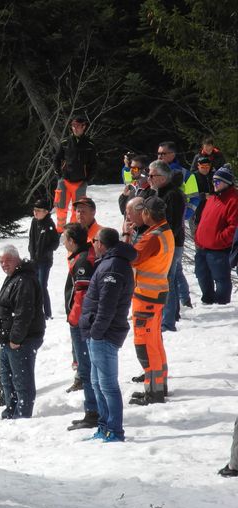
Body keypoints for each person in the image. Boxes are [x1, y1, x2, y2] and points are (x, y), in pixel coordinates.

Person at [79, 228, 136, 443]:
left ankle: (115, 430)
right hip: (98, 333)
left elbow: (107, 306)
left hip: (104, 334)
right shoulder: (109, 262)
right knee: (96, 383)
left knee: (108, 385)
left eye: (94, 241)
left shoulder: (113, 266)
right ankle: (103, 427)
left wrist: (96, 332)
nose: (92, 244)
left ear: (101, 244)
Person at [129, 195, 174, 406]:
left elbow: (133, 257)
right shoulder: (165, 231)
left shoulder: (152, 237)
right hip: (156, 294)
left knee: (145, 344)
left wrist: (125, 236)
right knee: (155, 342)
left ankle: (153, 391)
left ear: (148, 214)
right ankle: (159, 385)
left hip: (146, 297)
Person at [0, 245, 45, 419]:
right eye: (1, 262)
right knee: (8, 380)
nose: (4, 265)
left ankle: (22, 416)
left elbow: (24, 313)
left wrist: (15, 338)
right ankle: (11, 411)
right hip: (9, 341)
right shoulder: (14, 277)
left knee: (22, 382)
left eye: (7, 260)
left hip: (22, 341)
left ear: (17, 259)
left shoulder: (24, 280)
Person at [62, 223, 98, 428]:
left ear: (72, 241)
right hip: (83, 321)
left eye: (65, 239)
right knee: (87, 367)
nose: (63, 243)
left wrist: (74, 320)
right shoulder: (81, 256)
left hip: (82, 323)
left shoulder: (83, 260)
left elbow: (82, 296)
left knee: (86, 368)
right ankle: (92, 410)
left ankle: (93, 412)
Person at [145, 160, 186, 333]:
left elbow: (173, 224)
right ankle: (171, 315)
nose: (149, 178)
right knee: (168, 280)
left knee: (166, 281)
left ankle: (167, 322)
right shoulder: (158, 193)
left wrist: (161, 242)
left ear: (162, 177)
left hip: (171, 244)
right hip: (165, 243)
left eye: (152, 175)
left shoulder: (173, 195)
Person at [194, 164, 238, 304]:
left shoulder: (234, 200)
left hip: (218, 249)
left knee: (221, 279)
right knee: (202, 275)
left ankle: (222, 304)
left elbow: (234, 227)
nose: (214, 184)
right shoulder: (213, 198)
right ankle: (207, 301)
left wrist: (219, 240)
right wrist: (198, 236)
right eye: (213, 181)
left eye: (217, 182)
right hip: (202, 247)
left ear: (227, 183)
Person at [53, 115, 96, 232]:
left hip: (80, 183)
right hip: (65, 181)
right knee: (61, 208)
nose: (75, 128)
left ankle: (73, 231)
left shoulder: (90, 144)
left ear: (84, 127)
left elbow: (94, 164)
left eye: (77, 126)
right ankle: (59, 231)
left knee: (77, 210)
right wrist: (59, 176)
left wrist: (87, 179)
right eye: (73, 126)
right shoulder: (65, 142)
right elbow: (56, 159)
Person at [28, 198, 60, 319]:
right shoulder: (34, 222)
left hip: (44, 261)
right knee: (34, 285)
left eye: (38, 210)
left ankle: (47, 313)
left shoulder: (49, 224)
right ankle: (36, 311)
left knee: (42, 286)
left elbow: (56, 243)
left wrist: (45, 251)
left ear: (46, 212)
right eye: (34, 210)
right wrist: (31, 252)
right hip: (34, 260)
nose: (35, 213)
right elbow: (31, 238)